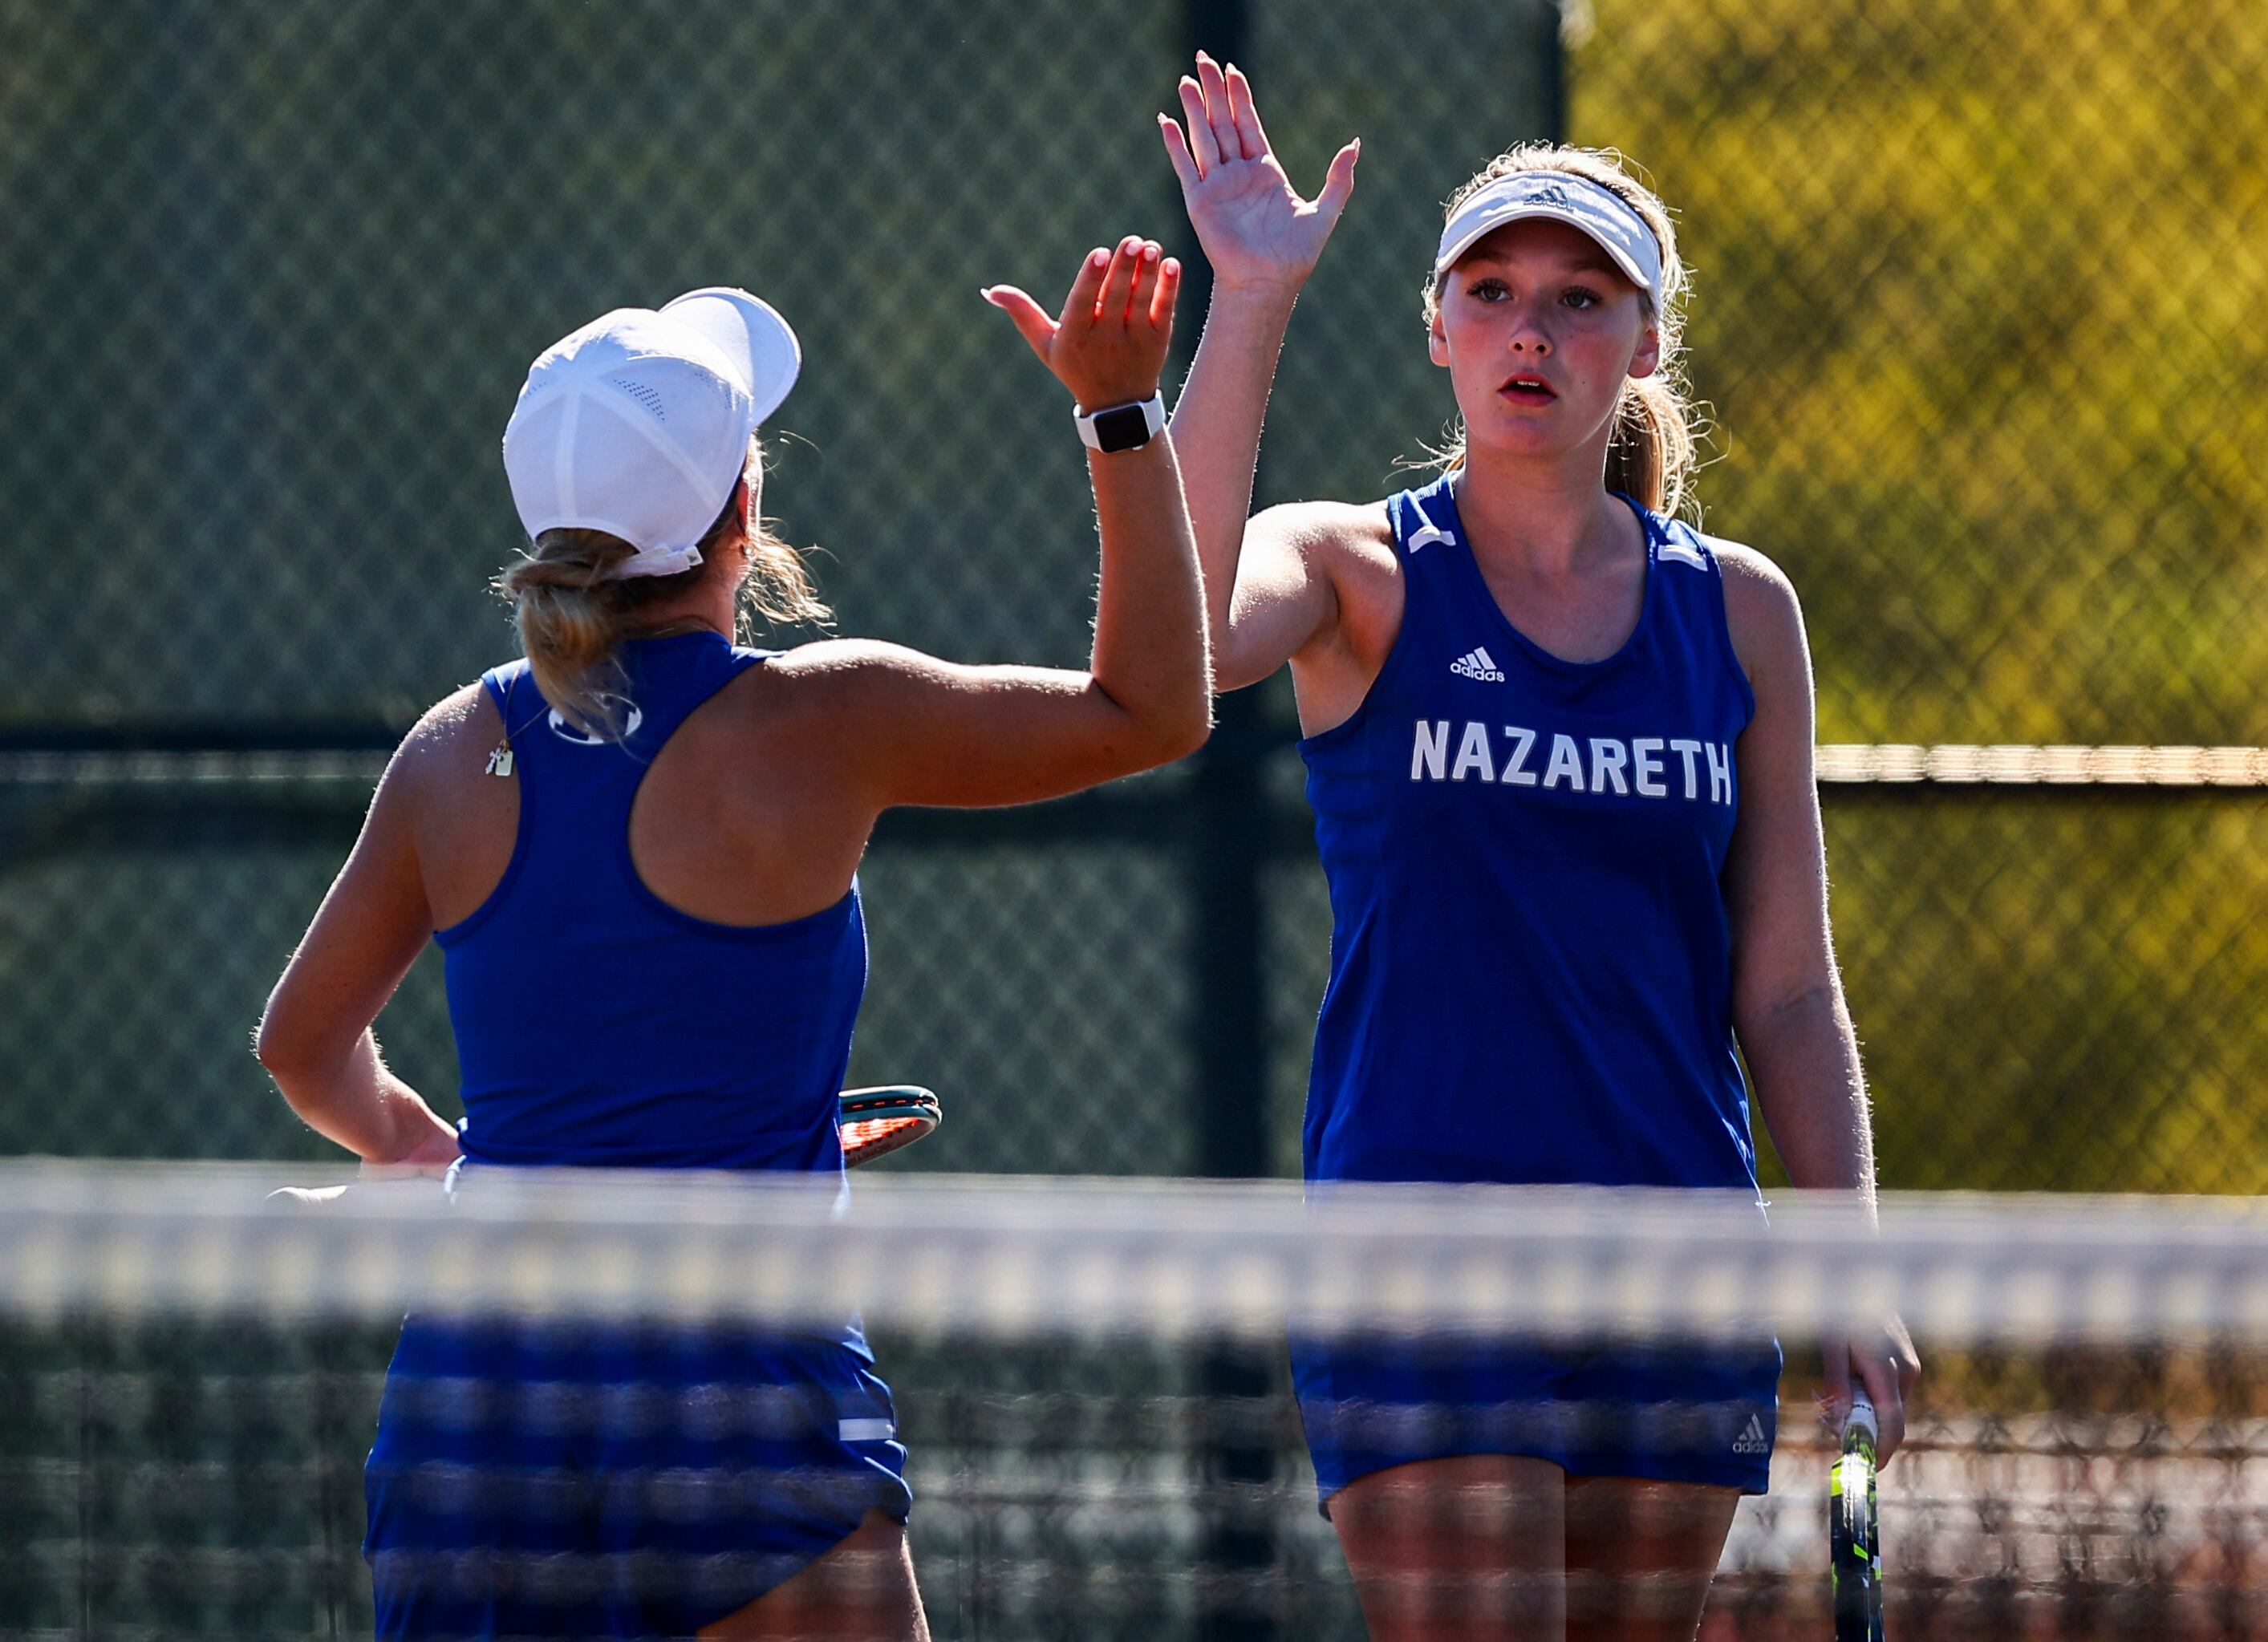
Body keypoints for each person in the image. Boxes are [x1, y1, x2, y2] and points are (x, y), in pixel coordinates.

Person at [254, 238, 1203, 1641]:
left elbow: (301, 1047)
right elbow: (1155, 711)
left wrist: (414, 1149)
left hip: (474, 1421)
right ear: (744, 512)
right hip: (742, 1392)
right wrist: (1118, 412)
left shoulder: (453, 752)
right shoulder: (824, 717)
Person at [1155, 55, 1920, 1641]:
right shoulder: (1354, 570)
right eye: (1492, 291)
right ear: (1437, 329)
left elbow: (1785, 993)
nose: (1531, 328)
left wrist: (1848, 1262)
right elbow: (1171, 642)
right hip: (1417, 1265)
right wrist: (1246, 298)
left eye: (1582, 300)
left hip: (1677, 1267)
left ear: (1644, 344)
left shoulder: (1742, 611)